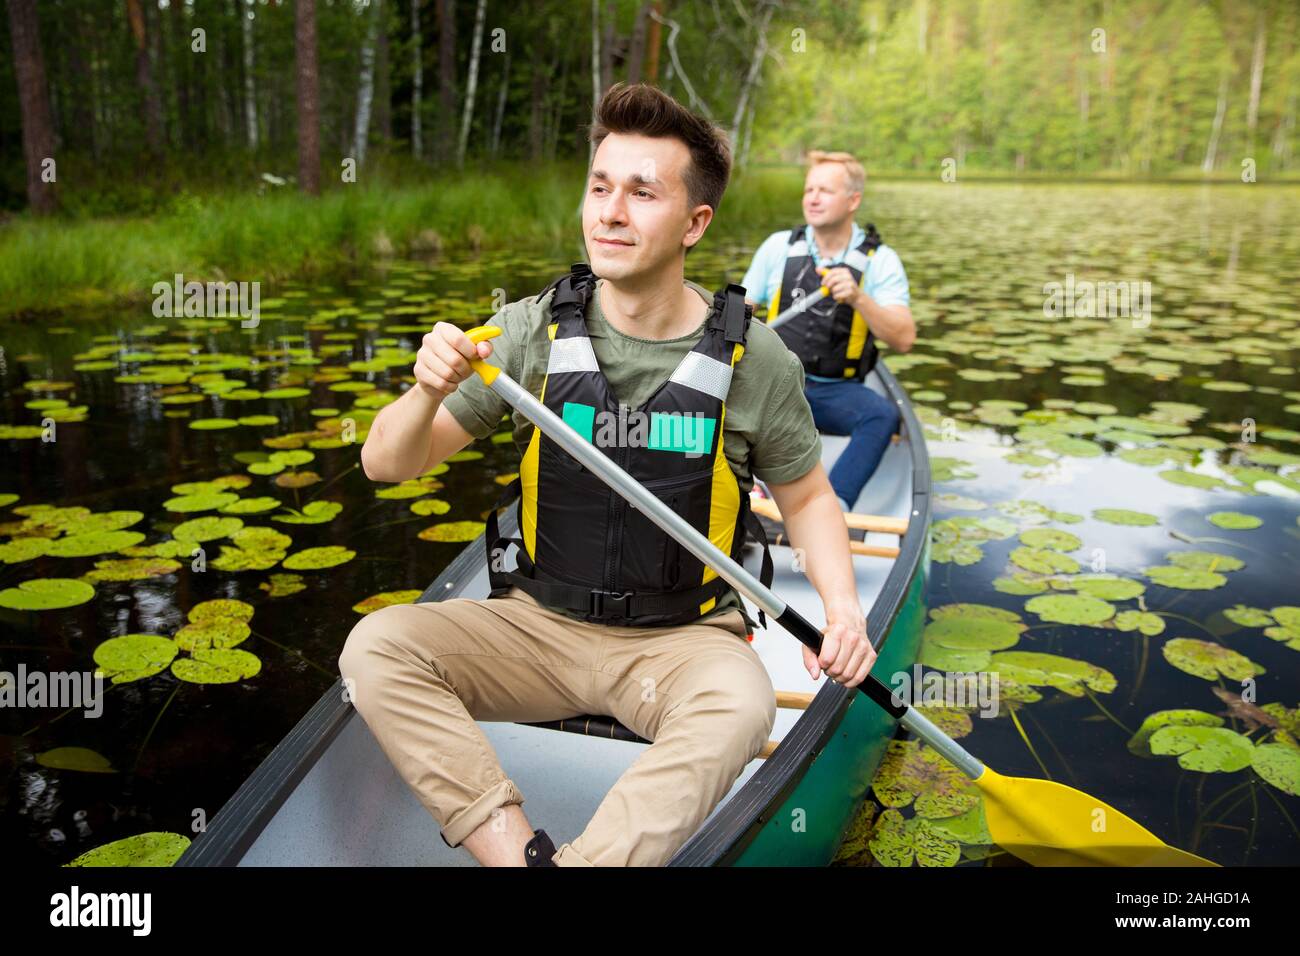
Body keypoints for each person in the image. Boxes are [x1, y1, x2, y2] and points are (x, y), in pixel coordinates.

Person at [339, 83, 876, 868]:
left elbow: (809, 500)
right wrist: (423, 389)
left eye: (641, 192)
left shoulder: (756, 360)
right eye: (599, 187)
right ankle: (517, 854)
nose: (609, 212)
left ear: (695, 222)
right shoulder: (526, 330)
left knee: (741, 703)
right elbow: (384, 463)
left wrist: (843, 611)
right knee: (376, 647)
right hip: (535, 626)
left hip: (682, 641)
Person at [741, 150, 916, 513]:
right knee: (714, 397)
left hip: (837, 393)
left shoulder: (881, 261)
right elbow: (741, 313)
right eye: (809, 190)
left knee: (881, 415)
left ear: (853, 200)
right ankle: (745, 491)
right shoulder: (778, 247)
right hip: (778, 385)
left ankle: (831, 507)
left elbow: (904, 338)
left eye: (825, 190)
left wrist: (858, 298)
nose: (813, 198)